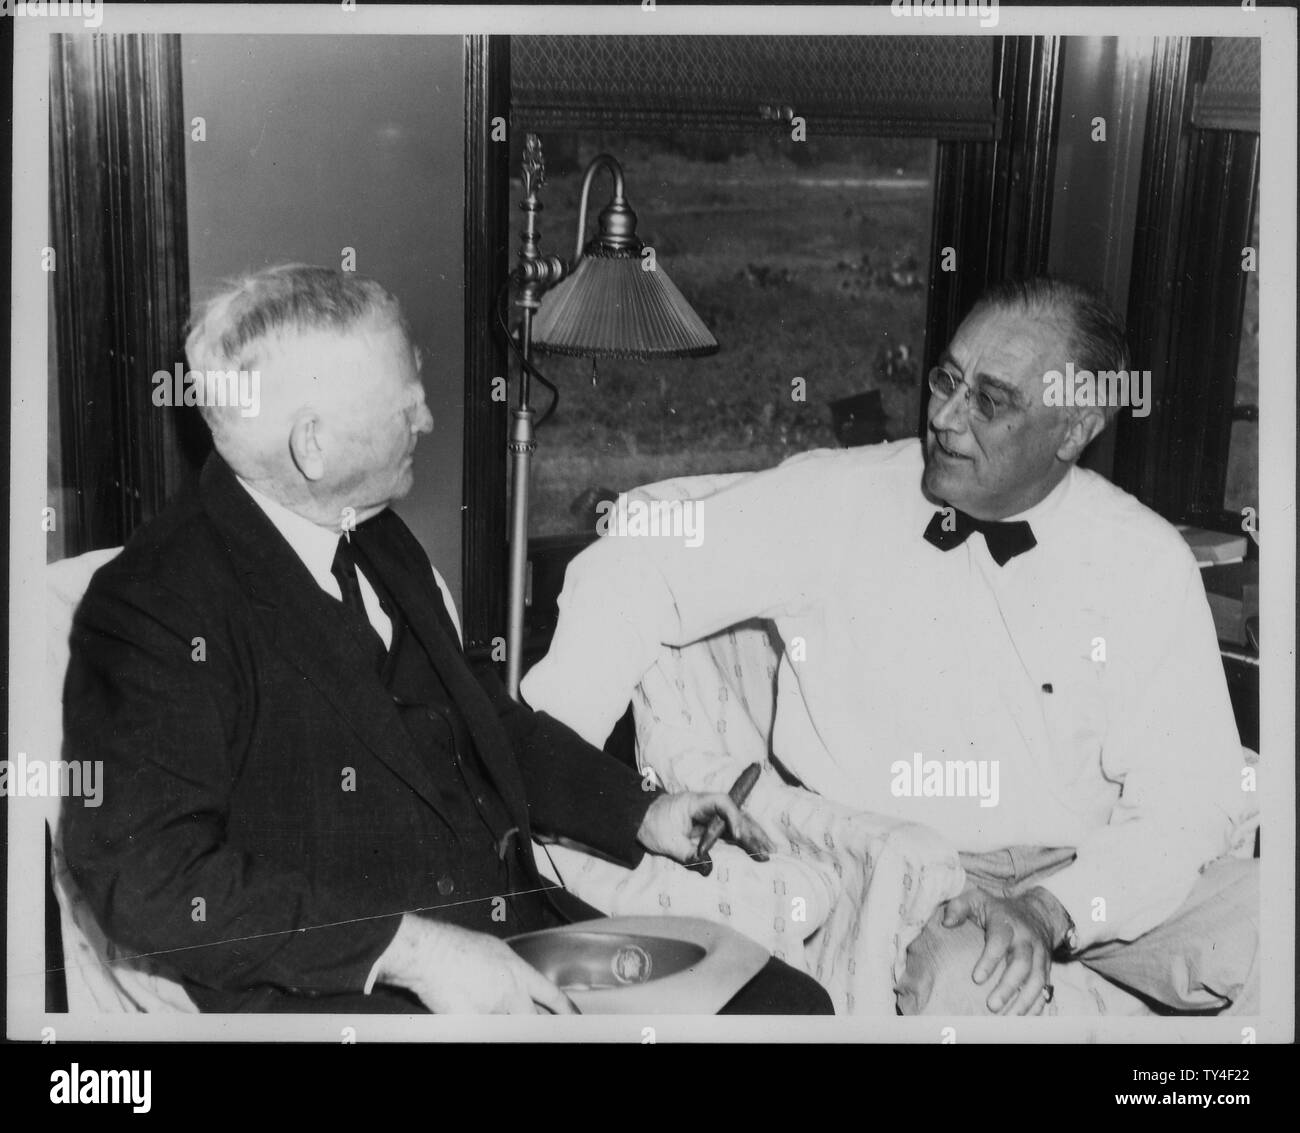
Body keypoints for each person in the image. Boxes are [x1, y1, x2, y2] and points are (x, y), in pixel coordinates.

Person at [61, 264, 832, 1016]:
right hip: (358, 995)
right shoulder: (155, 607)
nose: (427, 419)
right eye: (406, 404)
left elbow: (487, 722)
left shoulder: (376, 535)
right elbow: (149, 878)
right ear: (313, 447)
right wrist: (413, 951)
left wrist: (640, 811)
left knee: (792, 1007)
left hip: (519, 935)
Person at [523, 277, 1258, 1016]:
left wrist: (1055, 906)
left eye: (989, 400)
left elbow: (1188, 800)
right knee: (976, 991)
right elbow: (638, 559)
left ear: (1073, 431)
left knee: (1271, 927)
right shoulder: (838, 501)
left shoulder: (1145, 560)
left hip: (1088, 860)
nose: (942, 416)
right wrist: (555, 775)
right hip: (915, 872)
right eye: (946, 378)